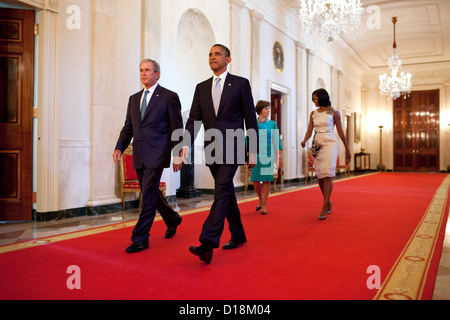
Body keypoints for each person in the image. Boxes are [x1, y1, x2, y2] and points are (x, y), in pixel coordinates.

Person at [181, 44, 258, 264]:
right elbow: (194, 119)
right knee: (226, 193)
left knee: (221, 189)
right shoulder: (201, 87)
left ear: (228, 59)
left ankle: (207, 243)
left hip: (233, 147)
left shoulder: (241, 84)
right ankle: (238, 234)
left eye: (217, 54)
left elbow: (250, 120)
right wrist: (185, 144)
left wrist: (252, 151)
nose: (213, 57)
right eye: (210, 54)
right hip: (212, 148)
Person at [113, 59, 184, 253]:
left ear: (157, 74)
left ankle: (140, 237)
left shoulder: (169, 97)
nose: (143, 73)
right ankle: (173, 218)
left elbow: (177, 128)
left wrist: (178, 153)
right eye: (141, 70)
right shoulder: (134, 99)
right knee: (149, 191)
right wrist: (119, 146)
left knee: (148, 194)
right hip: (139, 153)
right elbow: (129, 127)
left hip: (158, 152)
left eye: (147, 70)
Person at [301, 88, 351, 220]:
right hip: (317, 143)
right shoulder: (313, 113)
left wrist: (347, 148)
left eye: (315, 99)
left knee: (328, 173)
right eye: (313, 99)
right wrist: (305, 140)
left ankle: (324, 206)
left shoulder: (333, 112)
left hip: (330, 142)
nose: (313, 101)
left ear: (322, 98)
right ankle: (328, 201)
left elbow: (340, 132)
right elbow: (309, 131)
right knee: (320, 176)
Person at [249, 100, 283, 215]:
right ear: (260, 111)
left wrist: (279, 156)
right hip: (256, 153)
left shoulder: (272, 123)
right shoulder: (253, 123)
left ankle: (264, 204)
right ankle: (260, 198)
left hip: (268, 153)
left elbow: (277, 140)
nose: (268, 111)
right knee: (255, 179)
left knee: (267, 180)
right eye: (266, 109)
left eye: (269, 108)